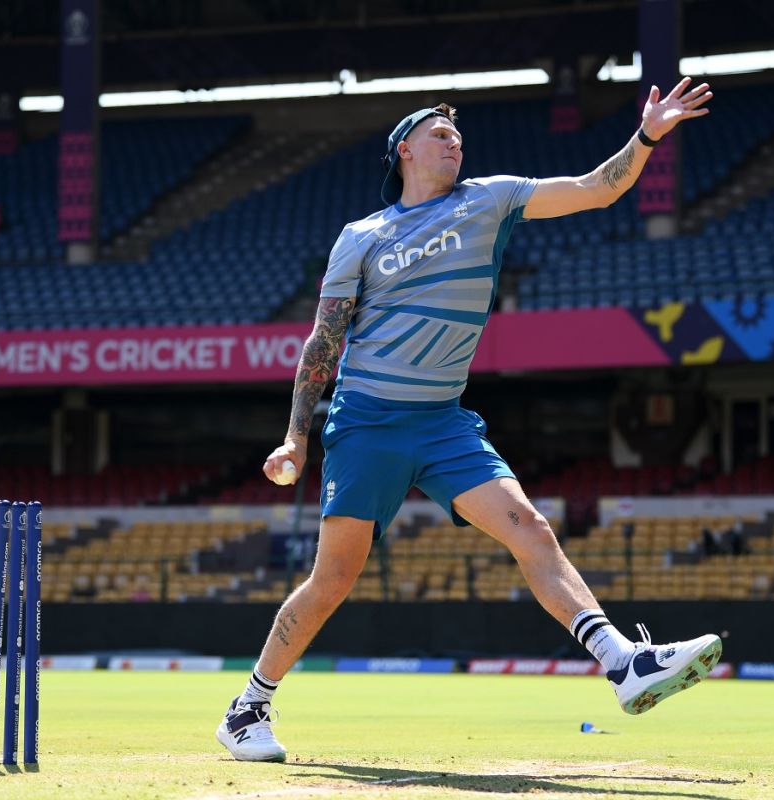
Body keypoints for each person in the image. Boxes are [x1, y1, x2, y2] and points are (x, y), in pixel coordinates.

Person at [217, 78, 720, 763]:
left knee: (529, 526)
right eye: (440, 133)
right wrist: (295, 437)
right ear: (405, 150)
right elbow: (323, 341)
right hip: (367, 421)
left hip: (444, 422)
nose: (455, 141)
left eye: (458, 135)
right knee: (334, 578)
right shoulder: (362, 236)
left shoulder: (492, 197)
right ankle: (248, 707)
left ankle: (623, 662)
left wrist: (648, 135)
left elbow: (597, 187)